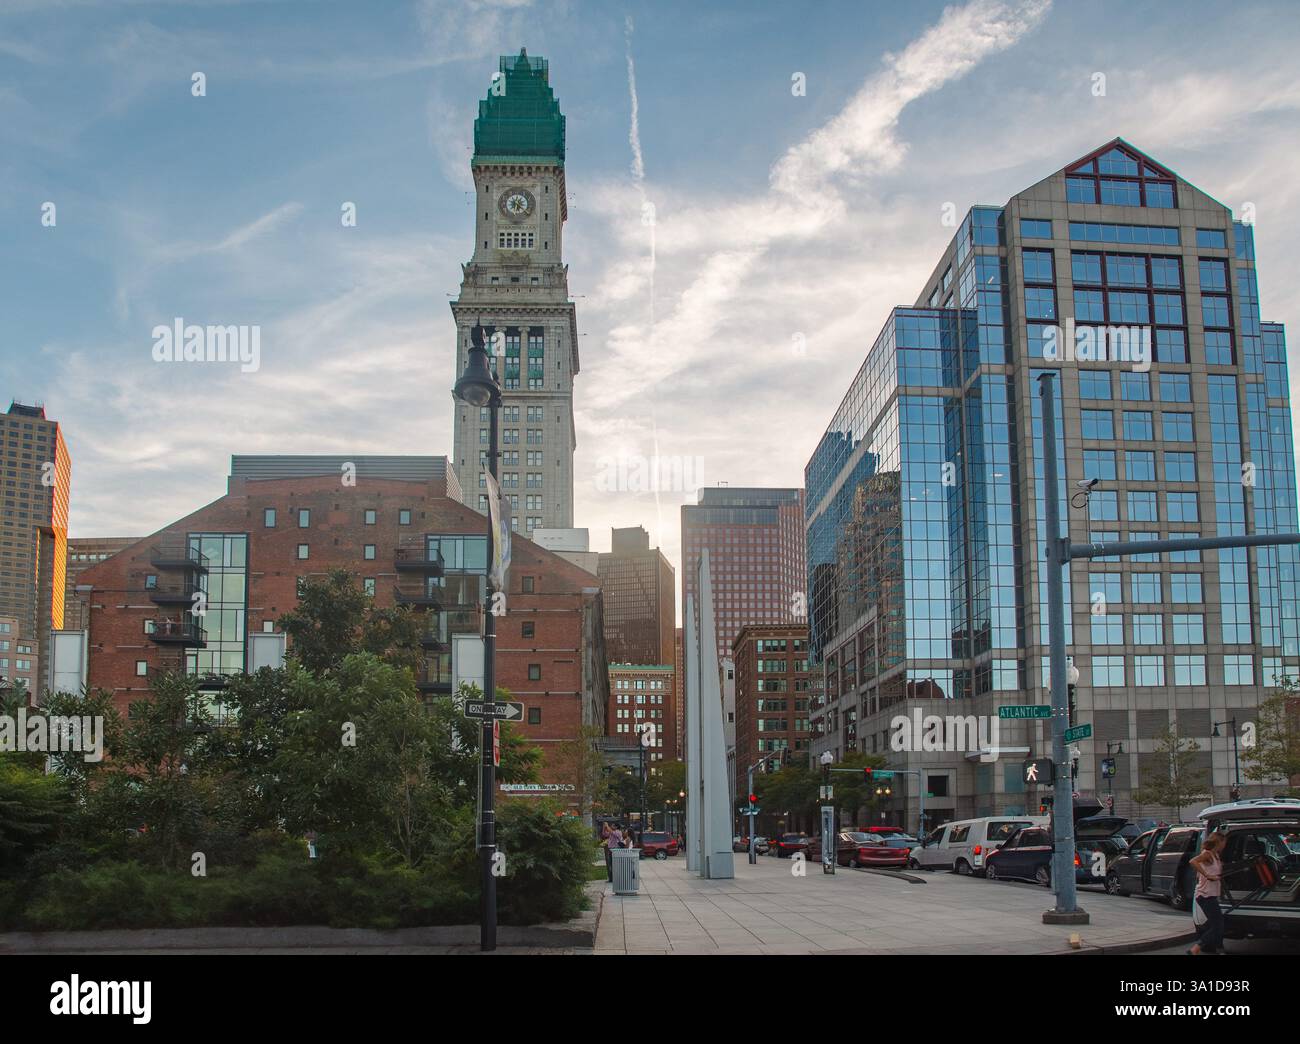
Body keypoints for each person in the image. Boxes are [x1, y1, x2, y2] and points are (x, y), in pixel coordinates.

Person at [1188, 832, 1227, 955]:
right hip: (1205, 895)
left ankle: (1218, 948)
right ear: (1219, 842)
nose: (1225, 844)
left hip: (1211, 895)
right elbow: (1193, 861)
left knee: (1215, 923)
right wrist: (1207, 875)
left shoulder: (1216, 856)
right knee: (1218, 925)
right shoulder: (1207, 854)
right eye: (1224, 842)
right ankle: (1195, 949)